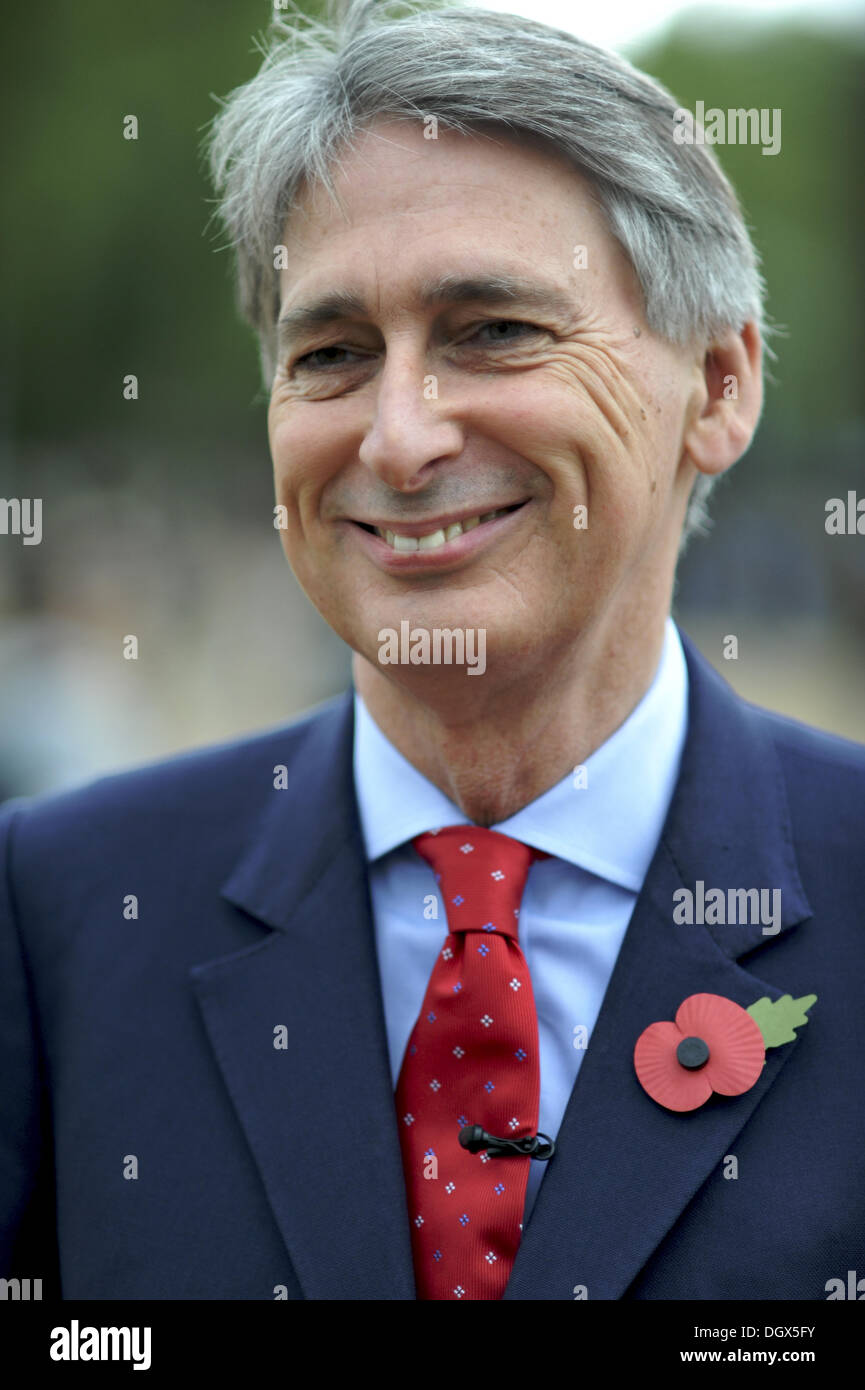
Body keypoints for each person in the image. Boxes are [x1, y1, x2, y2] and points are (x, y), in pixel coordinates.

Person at [1, 0, 863, 1301]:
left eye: (494, 332)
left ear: (719, 385)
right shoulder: (60, 911)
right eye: (332, 354)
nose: (399, 438)